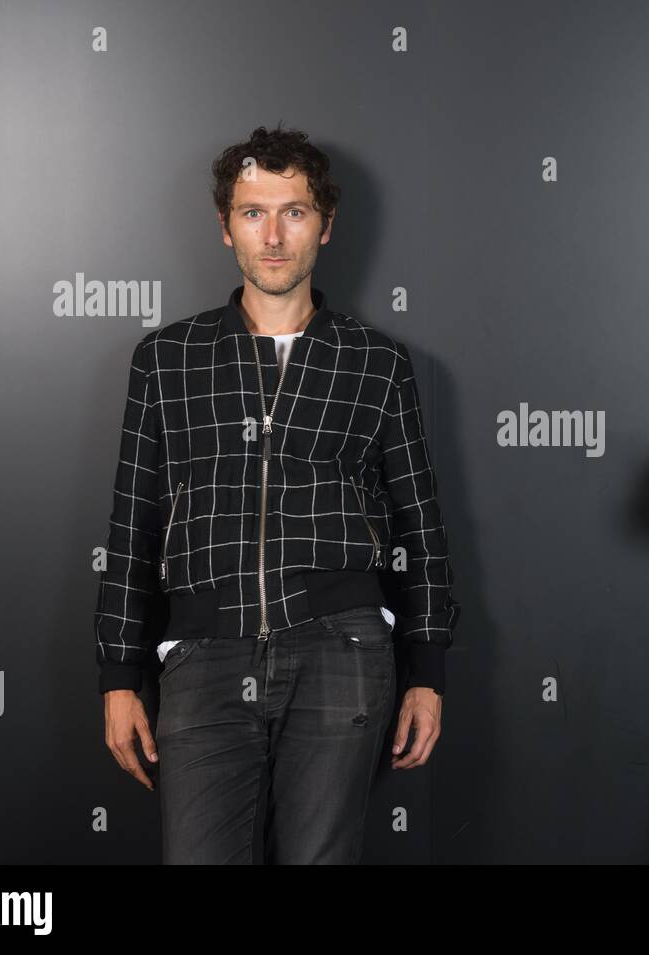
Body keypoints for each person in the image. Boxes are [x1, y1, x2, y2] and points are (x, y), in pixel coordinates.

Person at [95, 125, 460, 863]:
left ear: (326, 224)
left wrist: (427, 671)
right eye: (252, 212)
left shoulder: (376, 362)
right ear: (225, 225)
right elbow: (134, 521)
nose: (272, 236)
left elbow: (421, 526)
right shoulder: (167, 358)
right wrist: (118, 674)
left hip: (344, 649)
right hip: (202, 653)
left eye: (293, 211)